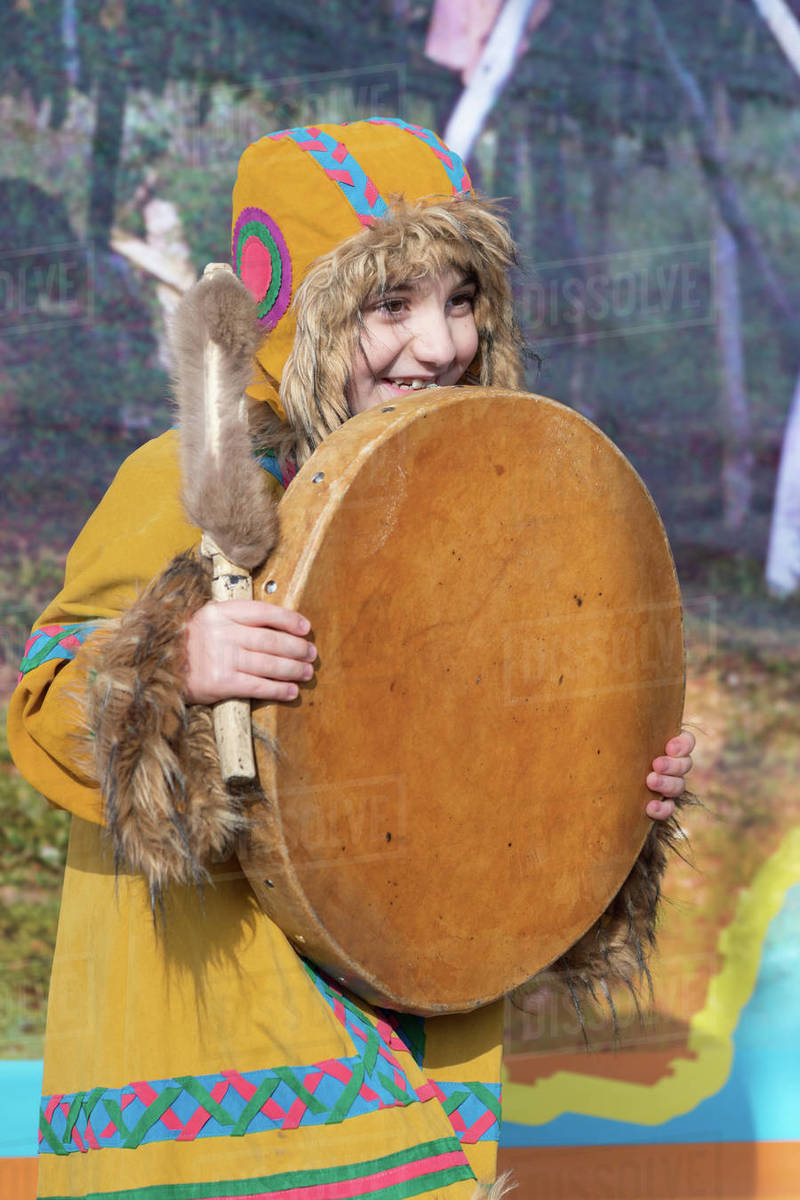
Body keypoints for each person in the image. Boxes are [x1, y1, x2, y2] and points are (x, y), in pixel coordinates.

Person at [9, 119, 694, 1200]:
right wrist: (169, 665)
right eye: (390, 305)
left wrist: (601, 796)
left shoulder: (495, 505)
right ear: (304, 315)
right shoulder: (190, 479)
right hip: (236, 1045)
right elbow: (43, 715)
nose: (438, 344)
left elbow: (488, 758)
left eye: (461, 299)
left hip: (424, 1026)